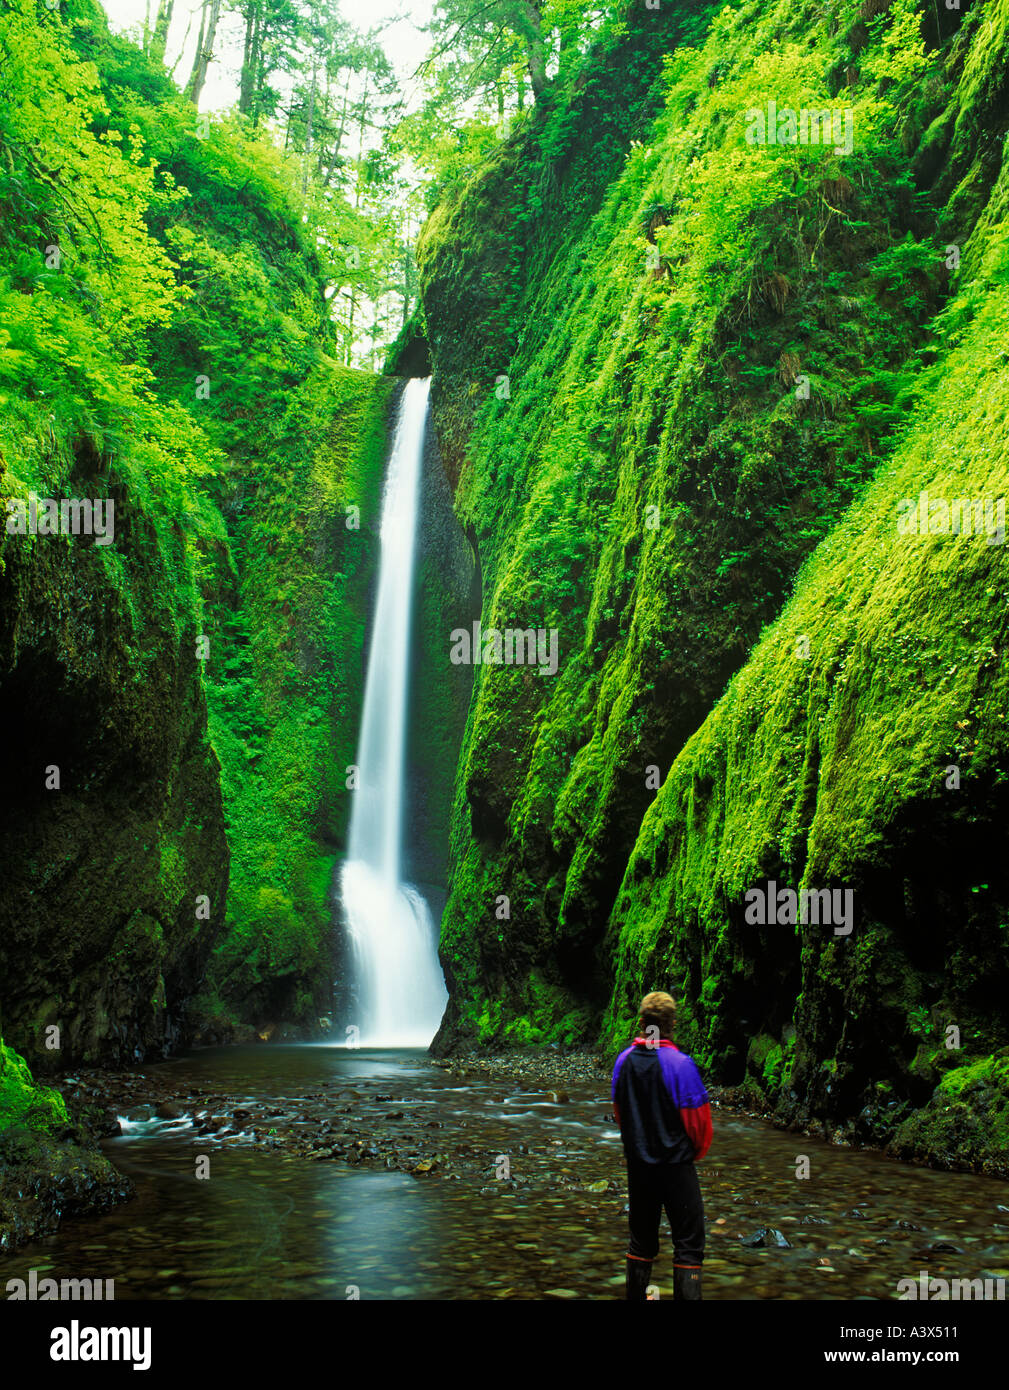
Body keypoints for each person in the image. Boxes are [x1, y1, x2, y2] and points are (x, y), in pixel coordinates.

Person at [611, 990, 712, 1301]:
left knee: (641, 1242)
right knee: (689, 1244)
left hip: (640, 1168)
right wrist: (693, 1153)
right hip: (676, 1168)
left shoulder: (623, 1062)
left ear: (641, 1023)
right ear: (671, 1024)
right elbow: (698, 1122)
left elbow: (620, 1113)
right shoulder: (680, 1065)